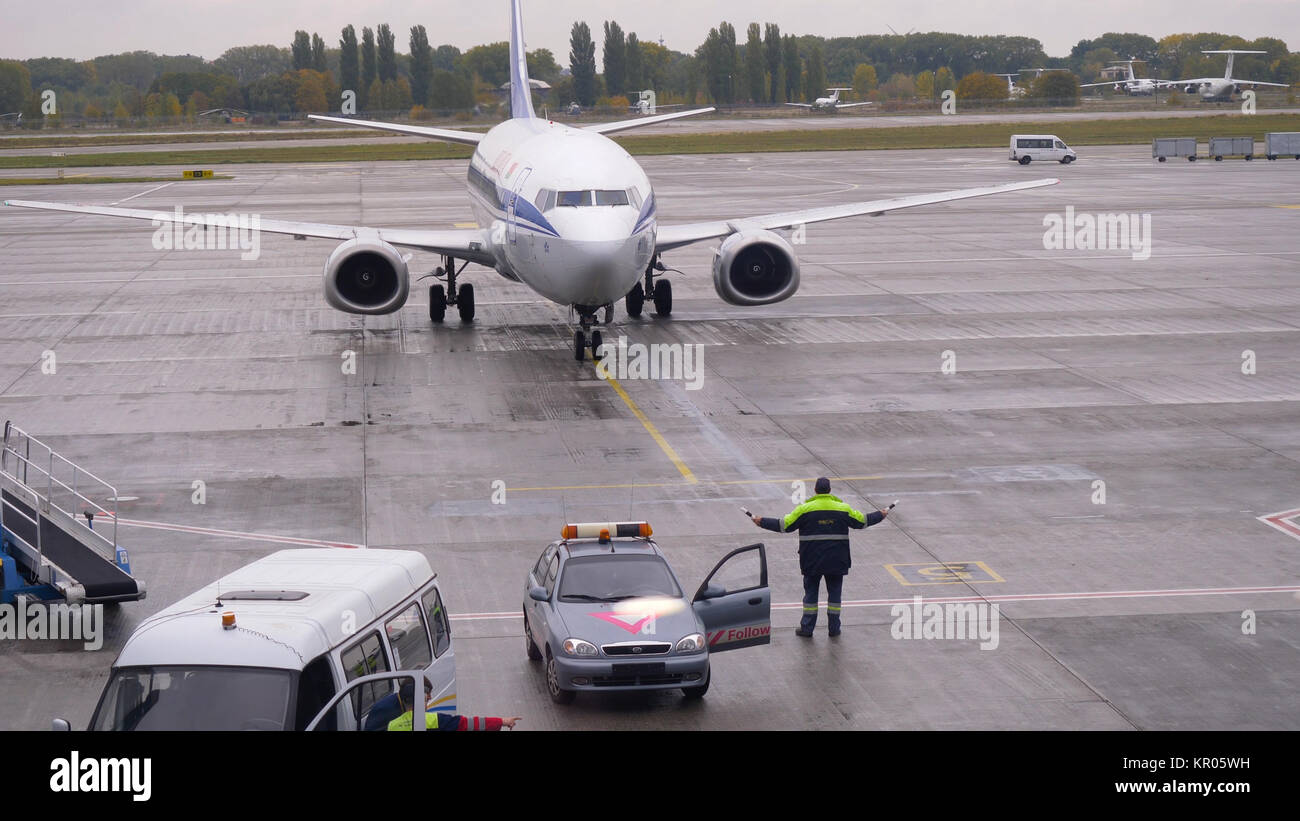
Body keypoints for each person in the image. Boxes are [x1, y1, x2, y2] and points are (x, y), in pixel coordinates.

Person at [752, 477, 888, 638]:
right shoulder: (843, 509)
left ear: (815, 491)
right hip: (837, 561)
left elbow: (784, 525)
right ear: (829, 491)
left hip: (812, 560)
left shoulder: (805, 509)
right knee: (835, 595)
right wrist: (881, 514)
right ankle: (834, 628)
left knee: (810, 595)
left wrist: (762, 521)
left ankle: (807, 628)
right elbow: (862, 521)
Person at [386, 678, 521, 731]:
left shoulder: (392, 726)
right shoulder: (435, 720)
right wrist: (502, 721)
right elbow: (471, 724)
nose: (430, 699)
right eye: (427, 698)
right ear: (421, 699)